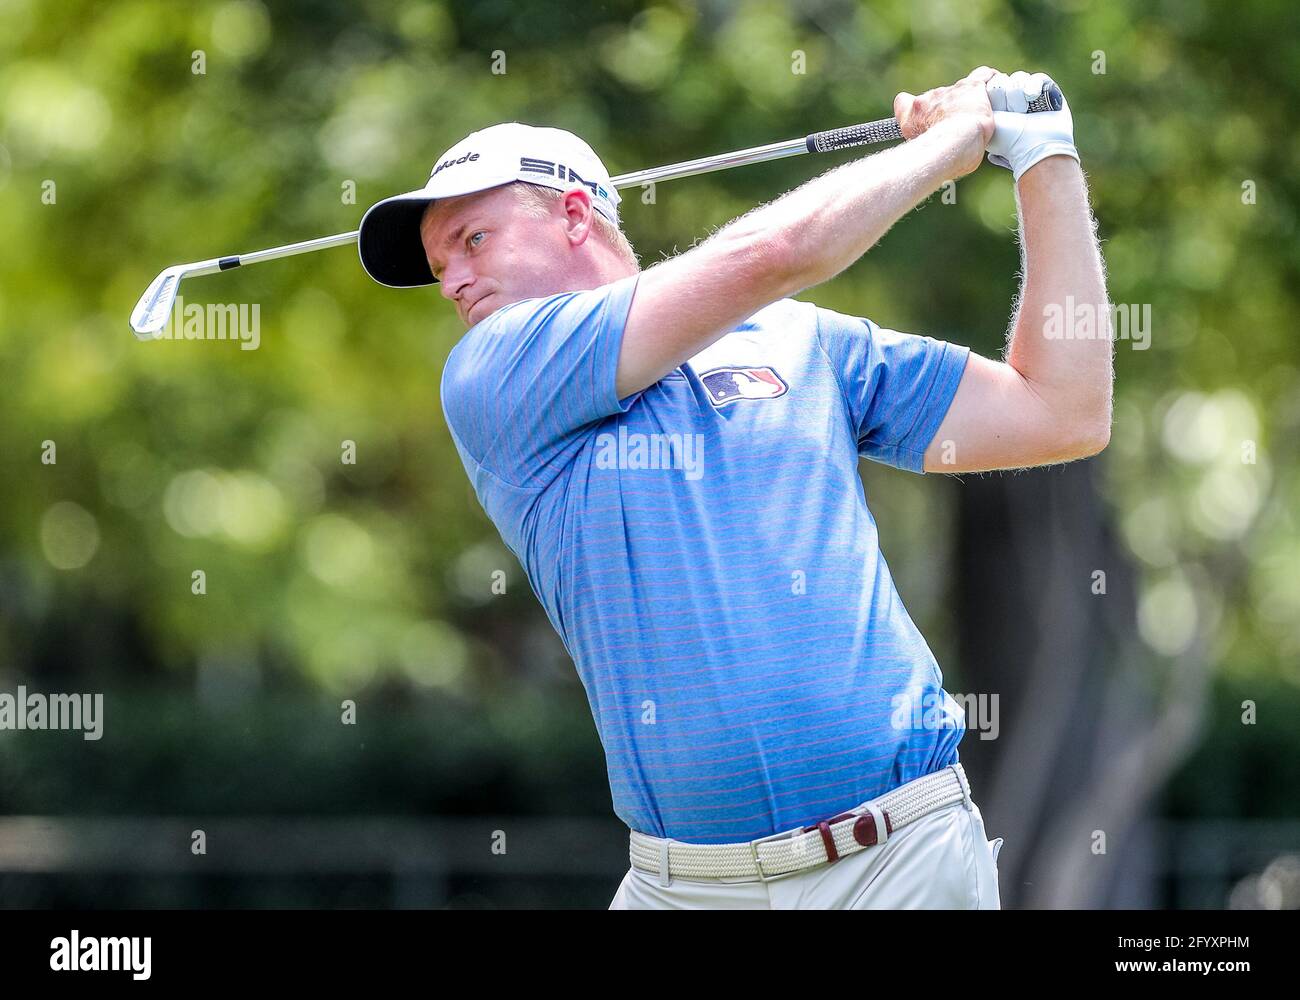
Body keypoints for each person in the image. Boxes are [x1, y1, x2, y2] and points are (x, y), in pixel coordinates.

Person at [357, 66, 1112, 909]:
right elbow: (774, 254)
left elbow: (1061, 410)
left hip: (901, 859)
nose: (453, 281)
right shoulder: (493, 376)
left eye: (472, 241)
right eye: (437, 266)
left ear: (574, 215)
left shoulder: (800, 343)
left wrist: (1043, 150)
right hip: (685, 889)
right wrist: (953, 144)